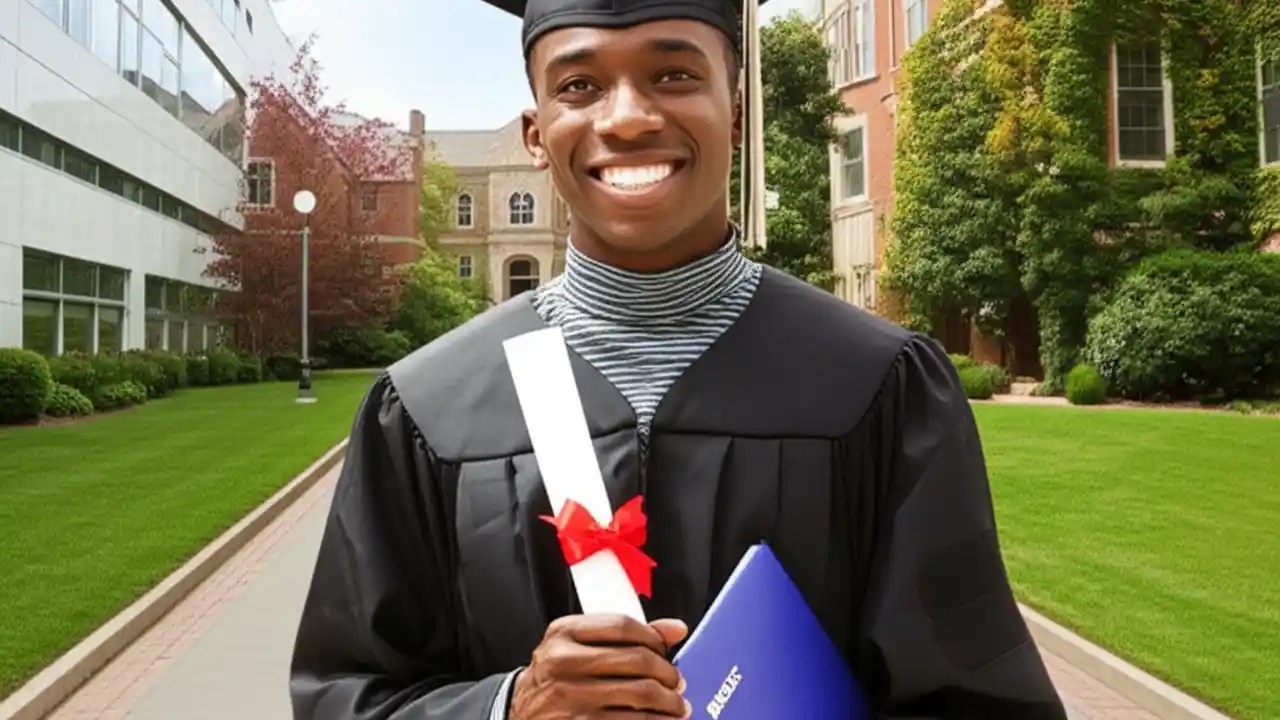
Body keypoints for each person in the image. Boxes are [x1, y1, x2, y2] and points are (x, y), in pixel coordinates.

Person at [288, 0, 1069, 718]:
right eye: (581, 85)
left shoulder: (879, 387)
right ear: (536, 133)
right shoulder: (426, 409)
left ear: (735, 110)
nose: (627, 118)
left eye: (674, 74)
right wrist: (507, 708)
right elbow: (346, 696)